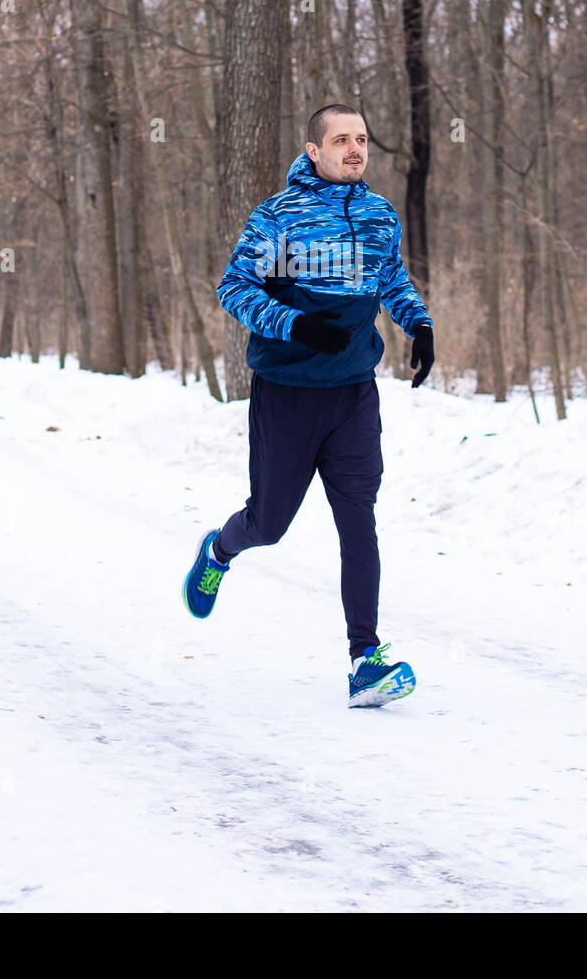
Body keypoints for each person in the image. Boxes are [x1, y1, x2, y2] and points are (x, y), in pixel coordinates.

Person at [182, 103, 435, 707]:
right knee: (268, 524)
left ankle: (364, 660)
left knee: (359, 522)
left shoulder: (378, 215)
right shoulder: (279, 217)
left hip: (353, 393)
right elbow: (233, 288)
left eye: (362, 139)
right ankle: (219, 550)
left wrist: (418, 326)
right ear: (314, 151)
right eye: (341, 140)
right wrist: (294, 325)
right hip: (289, 396)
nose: (355, 149)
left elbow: (391, 279)